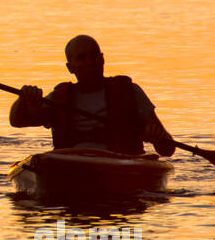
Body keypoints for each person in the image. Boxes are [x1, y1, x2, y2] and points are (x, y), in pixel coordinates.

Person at [9, 35, 176, 157]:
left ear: (102, 59)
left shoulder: (130, 92)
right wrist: (23, 99)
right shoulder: (59, 98)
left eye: (94, 55)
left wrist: (157, 138)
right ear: (70, 67)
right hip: (73, 167)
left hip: (121, 166)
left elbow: (167, 150)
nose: (90, 62)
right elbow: (17, 121)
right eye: (82, 58)